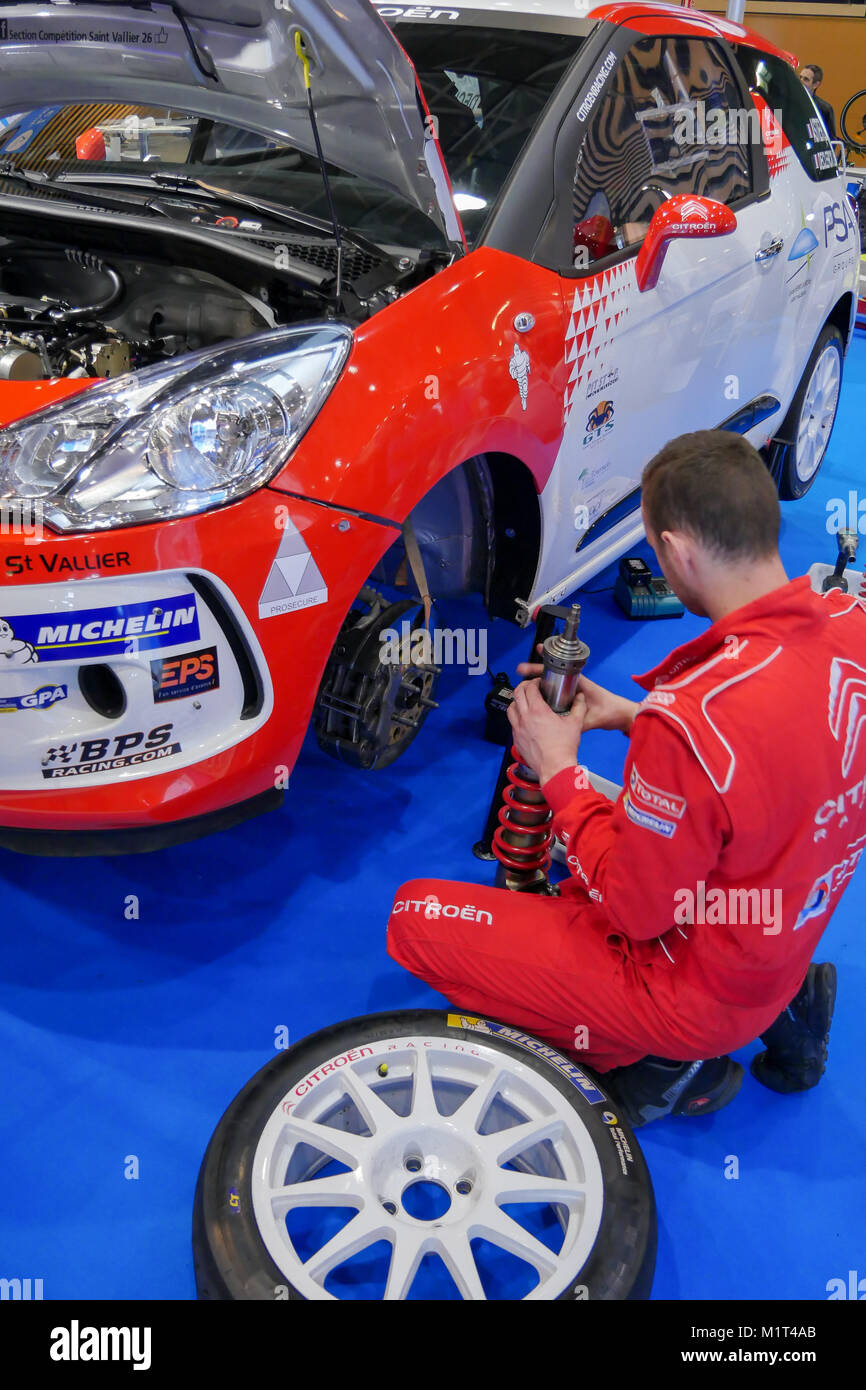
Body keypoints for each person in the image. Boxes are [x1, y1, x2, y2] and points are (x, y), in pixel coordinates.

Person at [386, 431, 862, 1127]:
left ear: (675, 550)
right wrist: (630, 715)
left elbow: (638, 911)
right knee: (609, 832)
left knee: (415, 917)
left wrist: (559, 772)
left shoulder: (695, 716)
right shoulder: (850, 624)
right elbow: (782, 750)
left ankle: (657, 1064)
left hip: (688, 983)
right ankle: (785, 1006)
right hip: (777, 934)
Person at [799, 64, 837, 142]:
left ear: (816, 85)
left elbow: (831, 141)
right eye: (800, 77)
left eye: (806, 79)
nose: (800, 81)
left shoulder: (825, 109)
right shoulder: (785, 103)